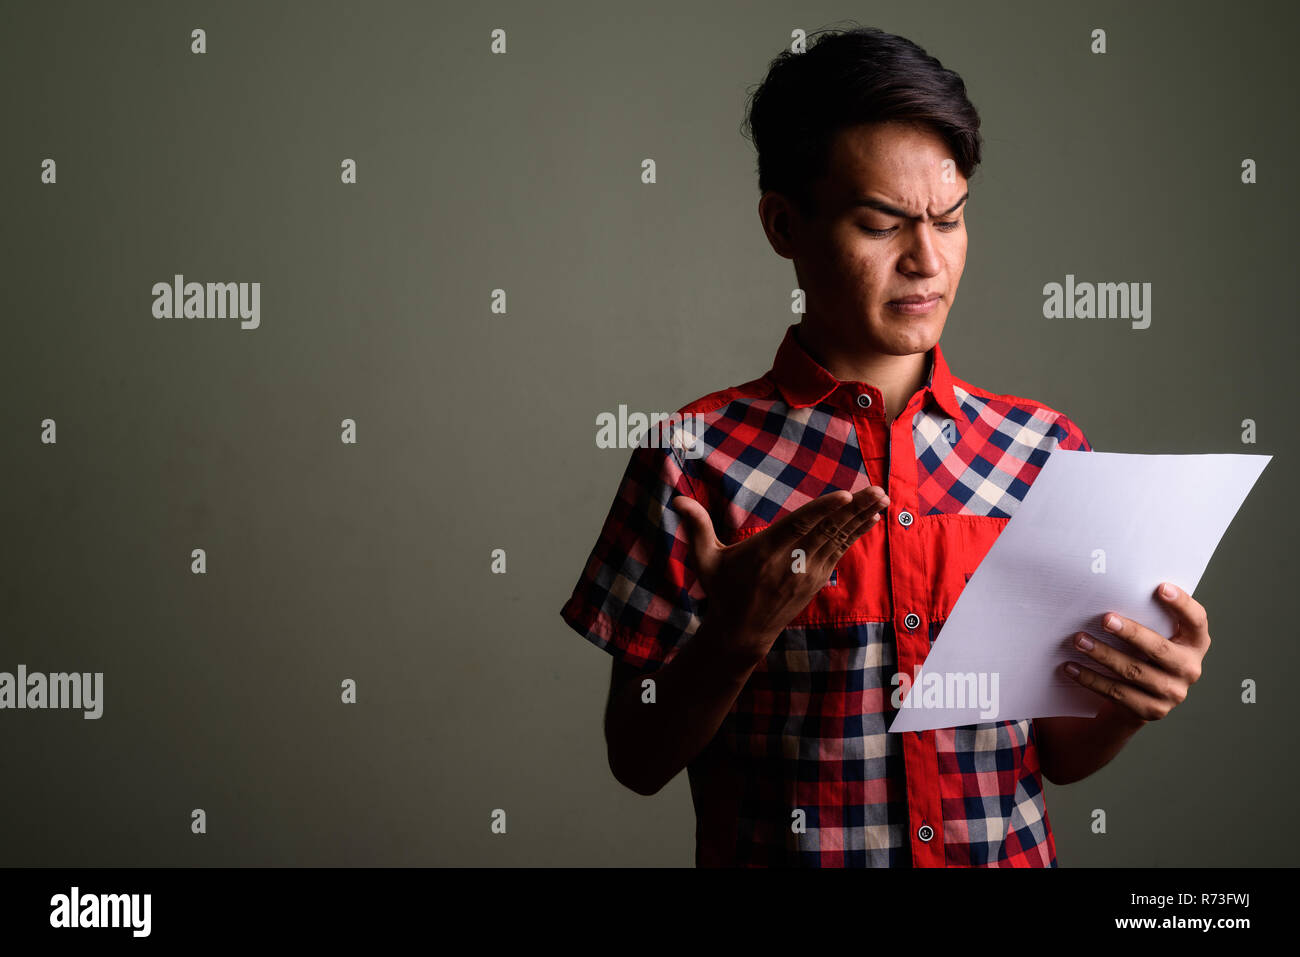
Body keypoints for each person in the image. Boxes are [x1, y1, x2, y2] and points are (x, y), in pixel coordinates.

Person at [559, 26, 1212, 867]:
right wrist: (732, 640)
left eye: (951, 218)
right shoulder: (691, 458)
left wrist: (1131, 698)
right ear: (784, 224)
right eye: (881, 223)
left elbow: (1056, 756)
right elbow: (636, 757)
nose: (927, 259)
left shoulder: (1046, 450)